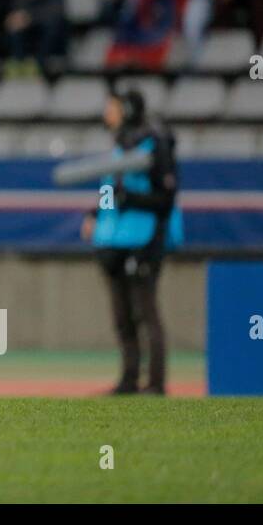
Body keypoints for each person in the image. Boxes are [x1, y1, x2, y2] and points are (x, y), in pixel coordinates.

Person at [80, 88, 182, 395]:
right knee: (122, 315)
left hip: (144, 239)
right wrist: (97, 213)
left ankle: (156, 382)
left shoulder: (154, 145)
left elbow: (165, 198)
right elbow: (110, 188)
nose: (106, 114)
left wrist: (131, 200)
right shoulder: (119, 147)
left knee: (146, 310)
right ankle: (129, 378)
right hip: (115, 240)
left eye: (111, 108)